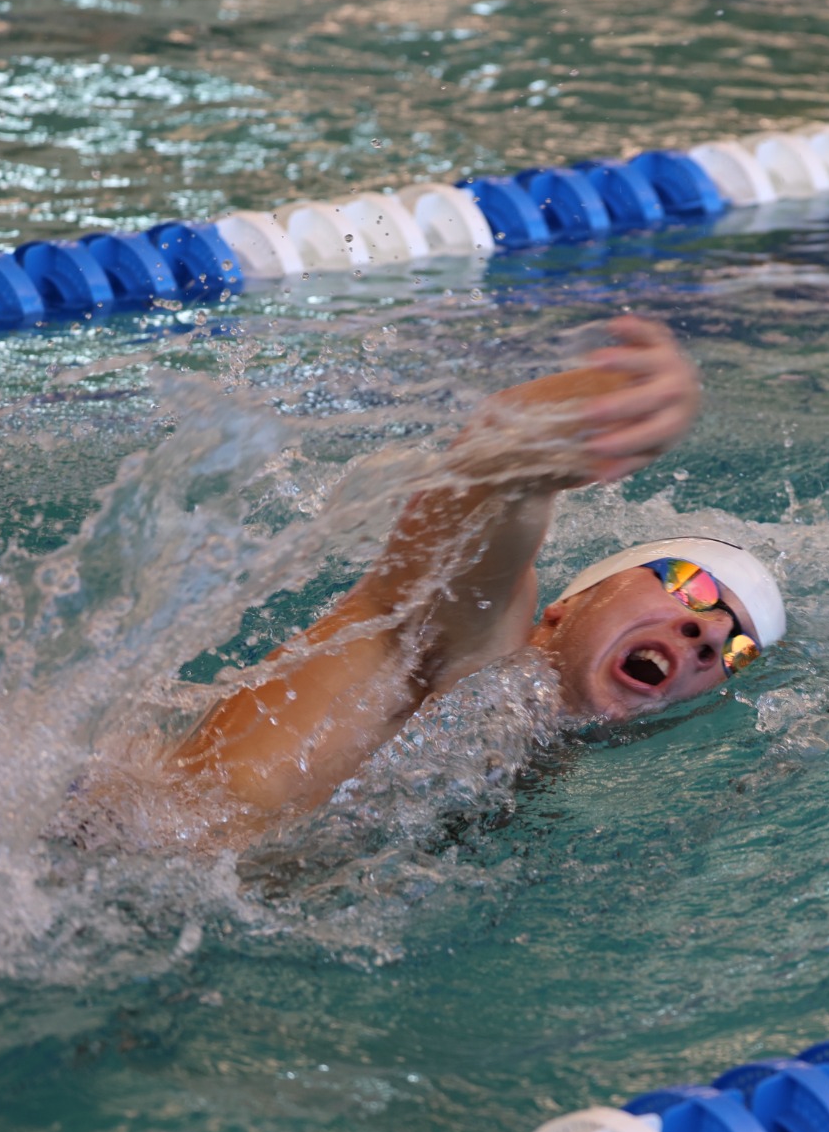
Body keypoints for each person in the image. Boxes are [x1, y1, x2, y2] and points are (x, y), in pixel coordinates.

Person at [162, 315, 783, 835]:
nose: (709, 634)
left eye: (737, 647)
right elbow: (492, 471)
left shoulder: (527, 771)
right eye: (690, 586)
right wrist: (614, 401)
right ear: (570, 604)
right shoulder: (465, 641)